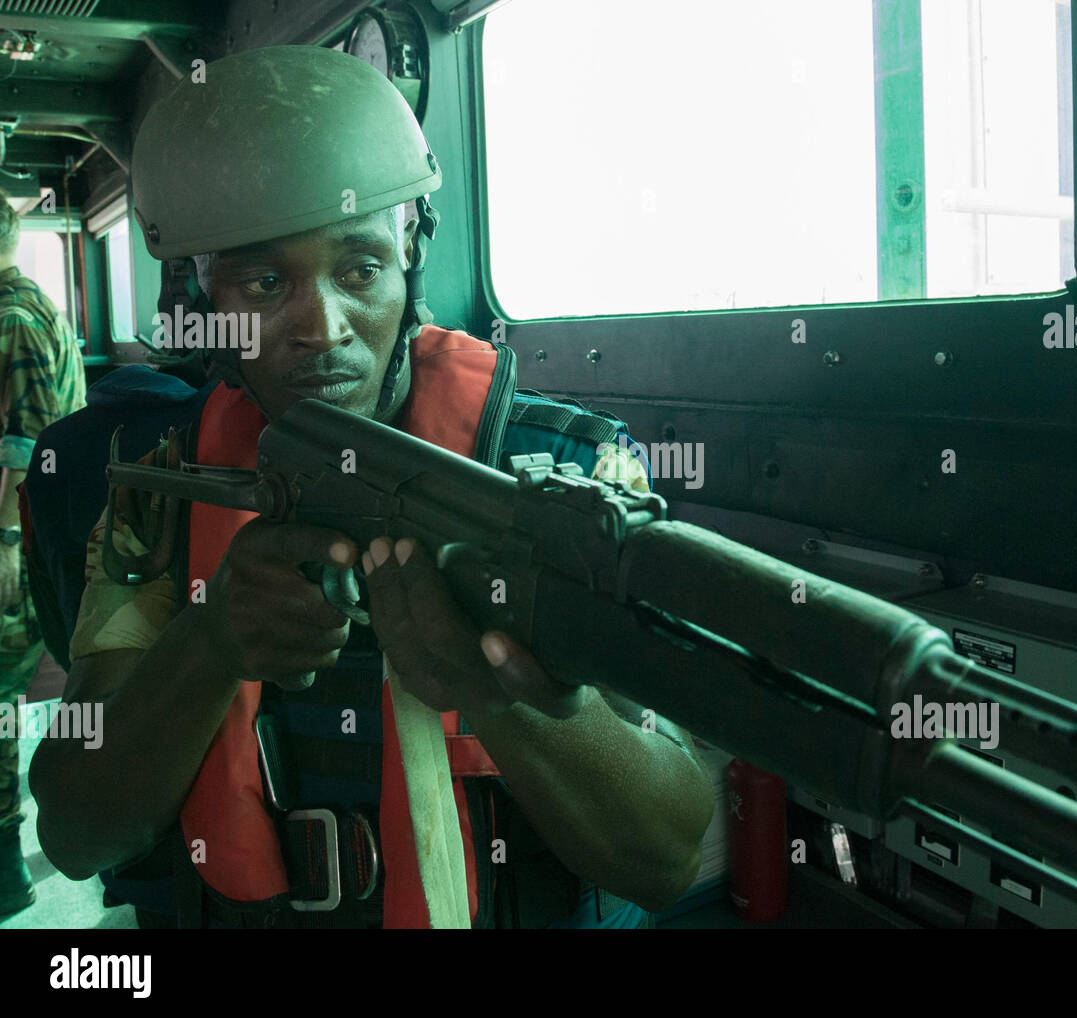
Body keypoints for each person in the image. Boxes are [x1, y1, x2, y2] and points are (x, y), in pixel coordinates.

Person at [26, 45, 714, 929]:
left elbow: (665, 855)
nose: (323, 328)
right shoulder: (162, 488)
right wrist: (211, 643)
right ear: (204, 291)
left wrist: (500, 695)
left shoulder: (569, 475)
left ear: (408, 253)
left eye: (359, 271)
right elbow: (79, 829)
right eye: (266, 282)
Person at [0, 191, 86, 918]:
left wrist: (3, 542)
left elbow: (22, 446)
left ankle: (4, 869)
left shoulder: (15, 317)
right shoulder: (26, 304)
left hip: (15, 540)